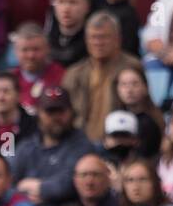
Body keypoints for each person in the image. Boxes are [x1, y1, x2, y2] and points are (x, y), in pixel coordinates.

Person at [10, 86, 95, 206]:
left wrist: (36, 187)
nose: (56, 117)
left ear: (71, 112)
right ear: (39, 114)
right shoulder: (26, 147)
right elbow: (10, 185)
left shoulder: (82, 144)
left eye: (61, 111)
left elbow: (67, 185)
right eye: (50, 112)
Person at [62, 11, 144, 143]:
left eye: (104, 37)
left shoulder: (132, 67)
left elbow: (145, 108)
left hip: (121, 142)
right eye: (93, 37)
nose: (98, 42)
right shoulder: (74, 73)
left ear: (117, 39)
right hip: (79, 144)